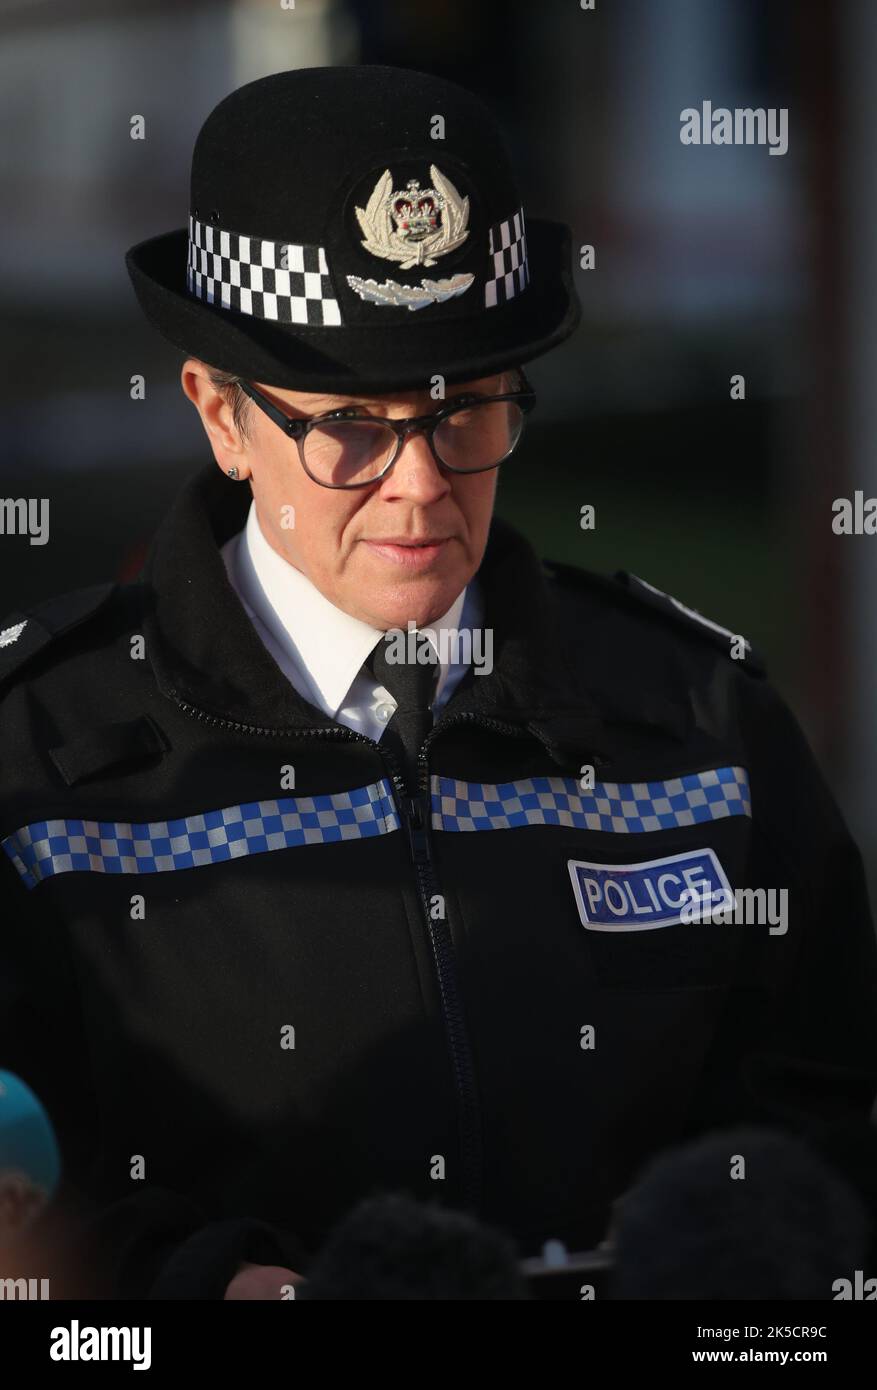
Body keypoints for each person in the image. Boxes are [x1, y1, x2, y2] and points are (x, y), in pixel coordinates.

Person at [1, 64, 875, 1300]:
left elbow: (832, 1109)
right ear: (220, 415)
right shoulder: (37, 766)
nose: (419, 484)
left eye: (466, 412)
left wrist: (735, 1242)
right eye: (352, 425)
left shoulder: (700, 723)